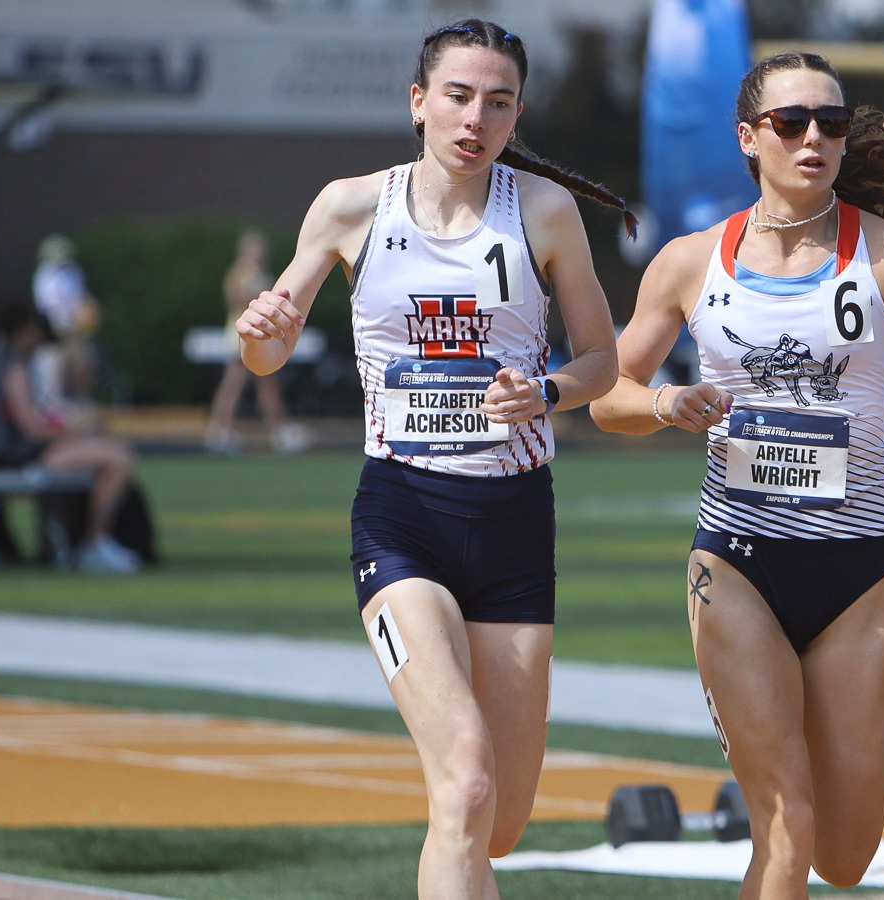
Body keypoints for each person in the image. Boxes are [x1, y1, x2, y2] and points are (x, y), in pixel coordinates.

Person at [235, 19, 627, 898]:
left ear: (516, 115)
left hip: (516, 521)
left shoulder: (543, 211)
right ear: (418, 102)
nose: (473, 119)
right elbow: (269, 349)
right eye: (457, 96)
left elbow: (603, 365)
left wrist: (549, 393)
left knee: (503, 816)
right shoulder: (349, 207)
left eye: (497, 103)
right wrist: (261, 334)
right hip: (401, 517)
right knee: (467, 780)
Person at [590, 51, 884, 898]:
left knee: (844, 857)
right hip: (736, 563)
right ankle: (772, 777)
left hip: (857, 569)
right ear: (747, 138)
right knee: (785, 821)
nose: (815, 138)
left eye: (831, 124)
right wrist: (666, 404)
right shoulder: (692, 262)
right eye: (792, 123)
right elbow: (607, 395)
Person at [0, 301, 142, 574]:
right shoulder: (13, 369)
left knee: (108, 449)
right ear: (23, 332)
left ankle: (76, 542)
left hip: (24, 449)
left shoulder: (9, 363)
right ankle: (94, 544)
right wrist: (74, 428)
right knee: (118, 458)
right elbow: (31, 429)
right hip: (22, 455)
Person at [205, 229, 310, 454]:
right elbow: (241, 300)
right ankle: (219, 430)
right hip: (241, 334)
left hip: (260, 333)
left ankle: (278, 430)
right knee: (234, 384)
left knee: (267, 384)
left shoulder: (258, 273)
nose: (258, 254)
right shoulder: (238, 274)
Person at [30, 234, 101, 415]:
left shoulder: (74, 270)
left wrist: (89, 308)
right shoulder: (43, 275)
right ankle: (56, 402)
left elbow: (81, 295)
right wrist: (66, 323)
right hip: (55, 328)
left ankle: (80, 400)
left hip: (75, 327)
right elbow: (48, 306)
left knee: (83, 362)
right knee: (56, 364)